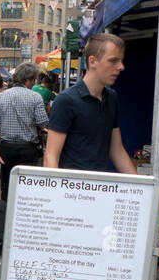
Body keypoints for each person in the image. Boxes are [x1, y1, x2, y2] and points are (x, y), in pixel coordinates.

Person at [44, 33, 136, 175]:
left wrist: (140, 188)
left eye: (121, 61)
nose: (121, 67)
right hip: (71, 190)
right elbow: (51, 156)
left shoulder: (111, 98)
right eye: (113, 61)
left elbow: (116, 150)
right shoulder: (66, 100)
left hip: (99, 188)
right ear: (92, 61)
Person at [0, 63, 50, 198]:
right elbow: (43, 123)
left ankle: (6, 215)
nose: (34, 83)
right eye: (34, 80)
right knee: (26, 187)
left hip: (6, 147)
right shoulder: (35, 97)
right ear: (28, 80)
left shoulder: (0, 97)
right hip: (28, 148)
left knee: (6, 186)